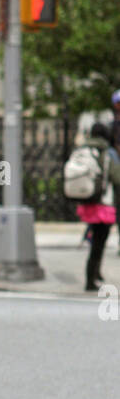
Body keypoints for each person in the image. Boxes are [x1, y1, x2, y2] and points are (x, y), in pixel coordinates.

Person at [75, 122, 120, 291]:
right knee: (99, 243)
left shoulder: (84, 150)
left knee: (95, 240)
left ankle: (96, 274)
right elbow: (117, 178)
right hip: (104, 204)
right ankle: (91, 279)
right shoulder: (108, 153)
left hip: (87, 201)